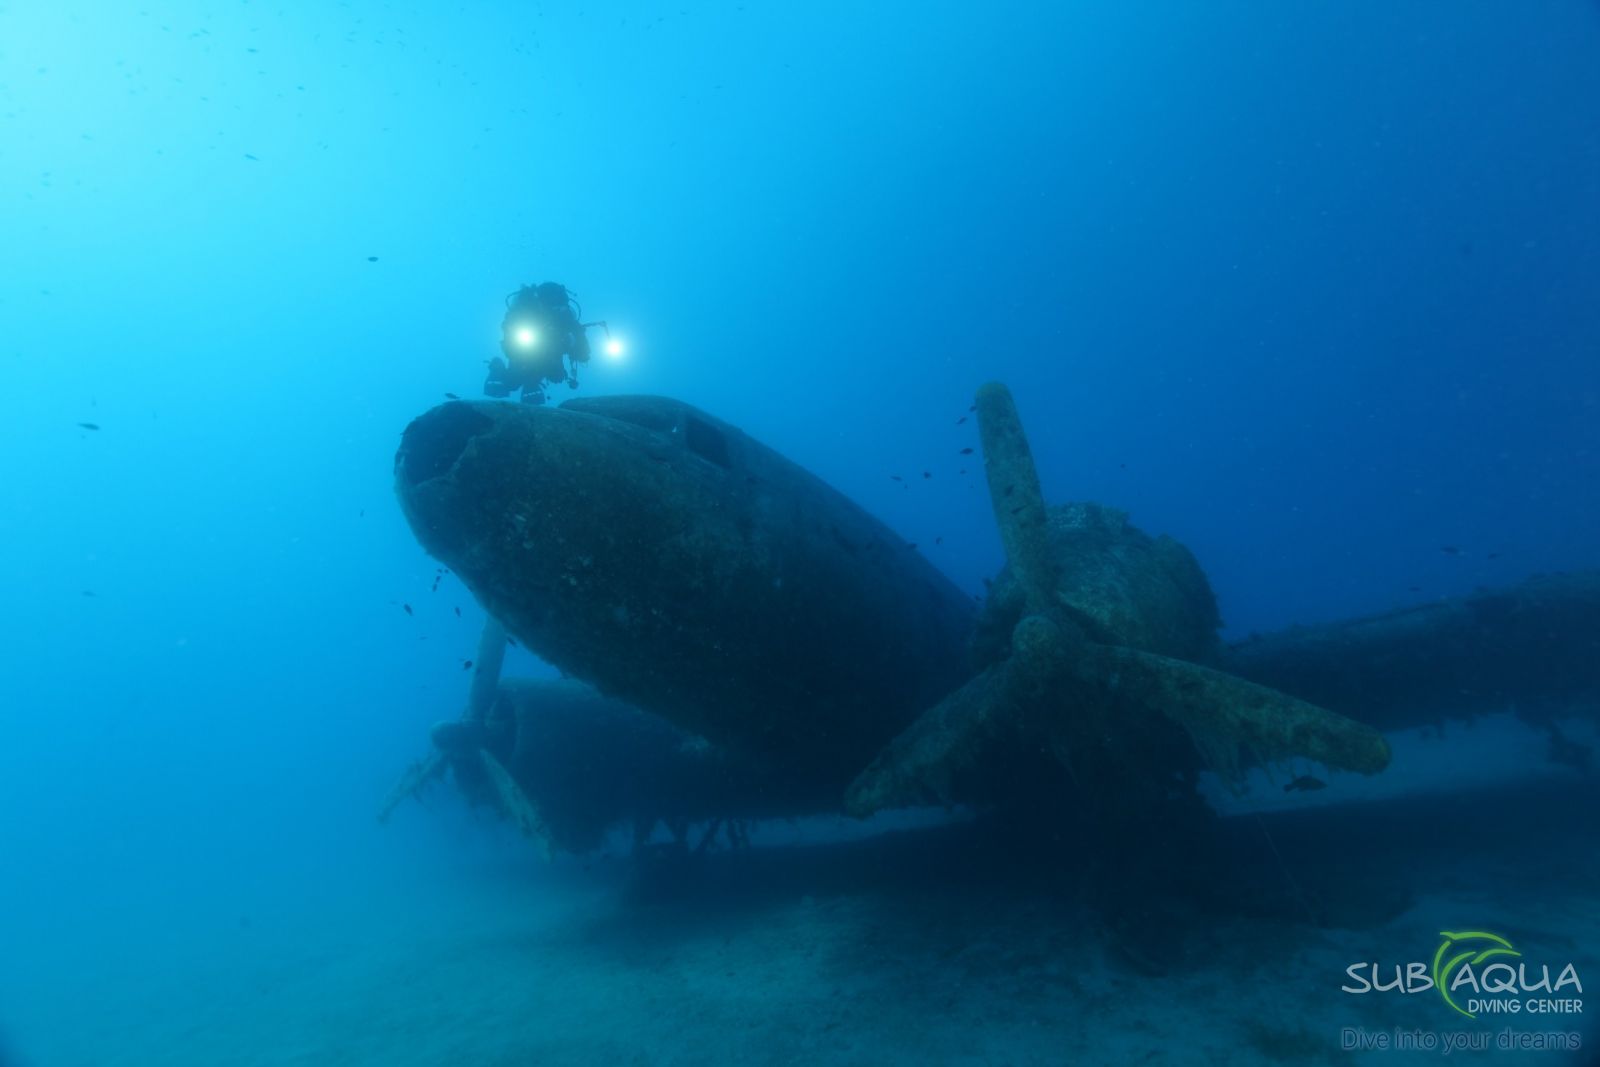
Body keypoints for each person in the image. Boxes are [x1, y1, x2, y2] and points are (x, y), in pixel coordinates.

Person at [484, 282, 593, 404]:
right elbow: (510, 336)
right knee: (512, 382)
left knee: (555, 376)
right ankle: (497, 368)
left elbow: (583, 351)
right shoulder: (526, 312)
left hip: (550, 357)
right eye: (552, 307)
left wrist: (573, 343)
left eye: (559, 308)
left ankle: (531, 383)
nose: (555, 311)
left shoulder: (565, 315)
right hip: (523, 354)